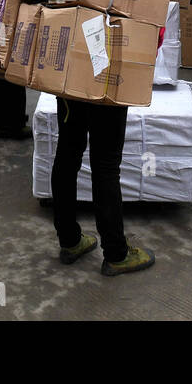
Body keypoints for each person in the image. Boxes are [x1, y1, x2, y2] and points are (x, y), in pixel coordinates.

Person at [50, 97, 155, 276]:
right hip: (109, 84)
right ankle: (116, 254)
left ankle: (70, 241)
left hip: (71, 81)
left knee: (68, 152)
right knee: (106, 163)